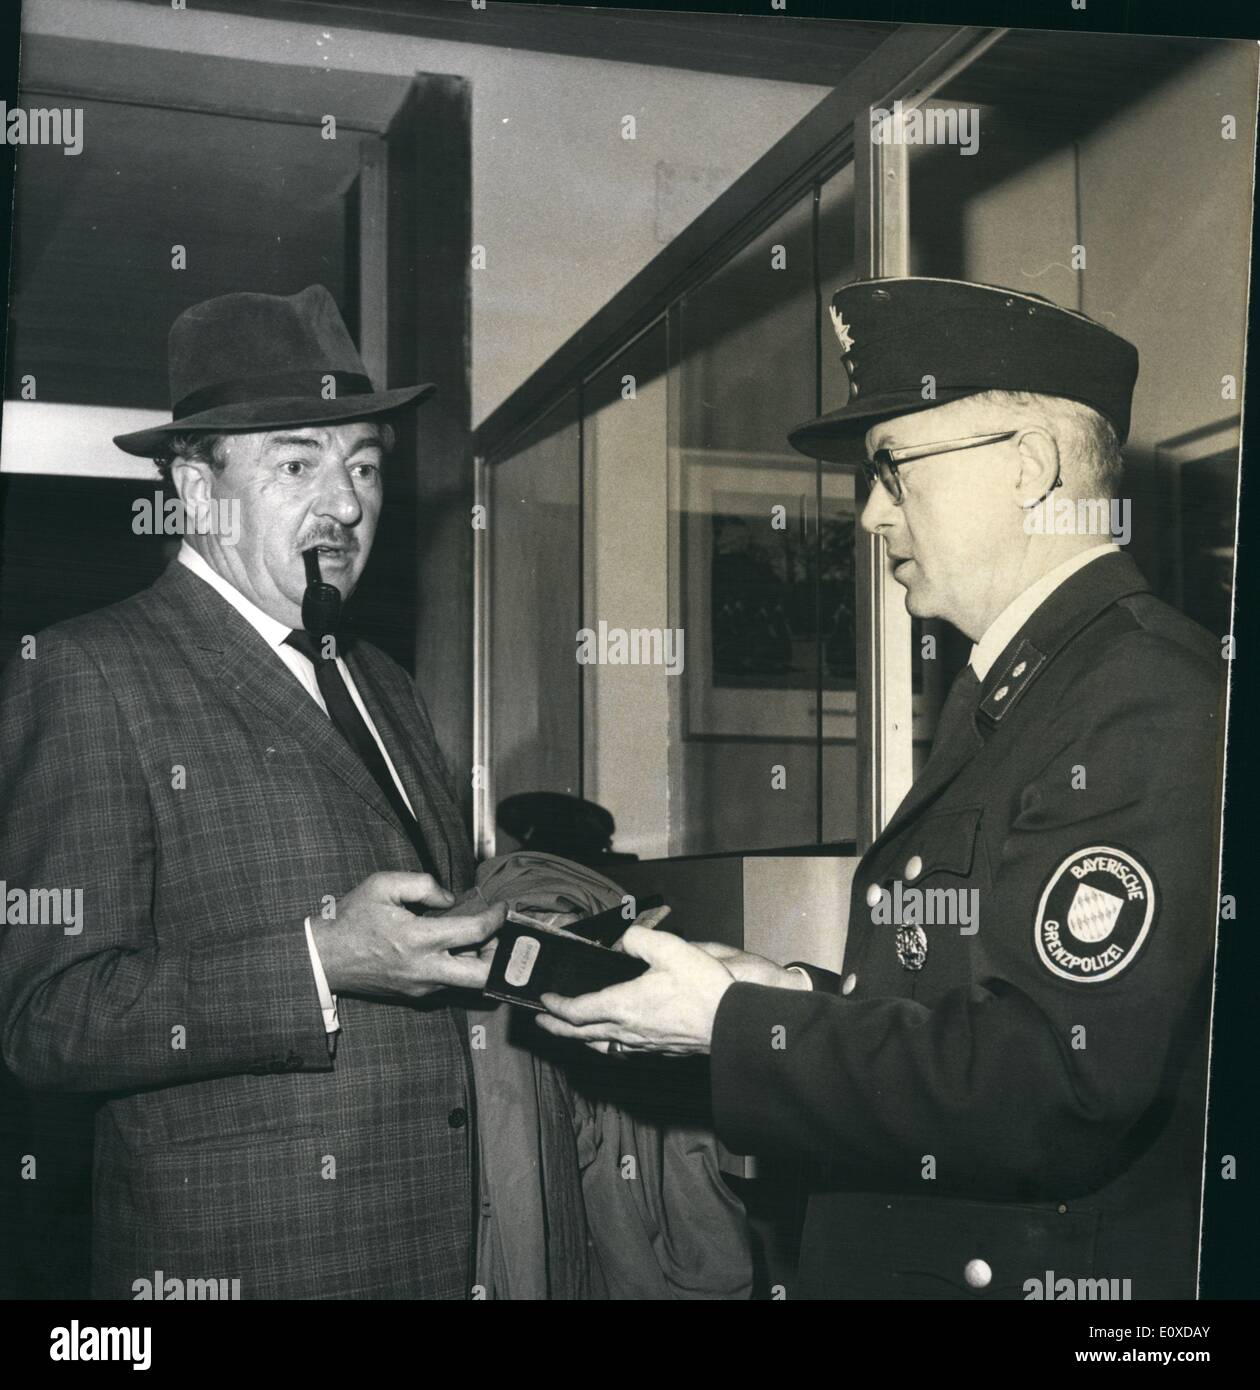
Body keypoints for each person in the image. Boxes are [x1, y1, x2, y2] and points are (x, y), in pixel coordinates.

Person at [537, 277, 1225, 1300]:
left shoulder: (1145, 694)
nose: (868, 515)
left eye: (893, 472)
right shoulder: (1031, 683)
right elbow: (967, 1002)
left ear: (1028, 468)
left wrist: (729, 1023)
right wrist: (788, 995)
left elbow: (1052, 1080)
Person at [0, 285, 505, 1299]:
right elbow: (44, 1017)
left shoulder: (383, 684)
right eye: (297, 463)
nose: (348, 502)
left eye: (363, 463)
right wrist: (321, 959)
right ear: (196, 493)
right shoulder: (89, 670)